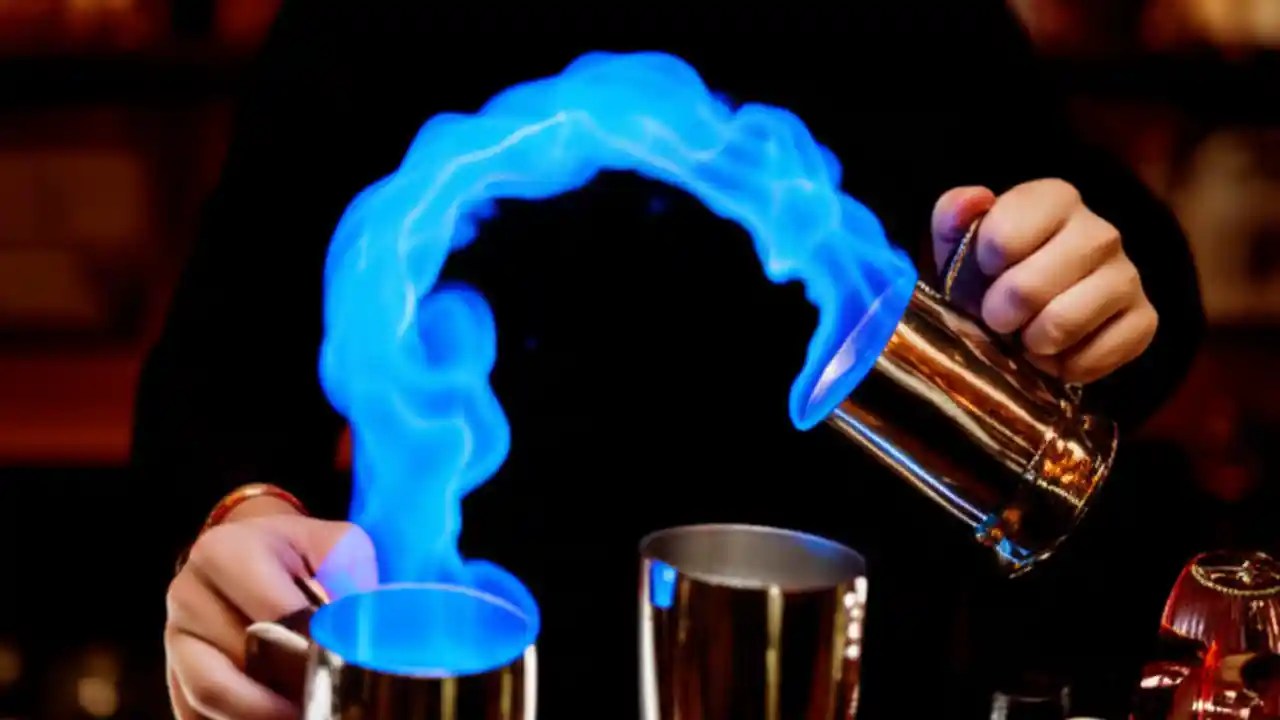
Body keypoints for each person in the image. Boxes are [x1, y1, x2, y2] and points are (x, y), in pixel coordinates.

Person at [134, 1, 1204, 717]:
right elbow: (215, 379)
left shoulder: (909, 19)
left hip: (855, 682)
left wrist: (1078, 286)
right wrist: (241, 522)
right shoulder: (369, 23)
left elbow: (1104, 246)